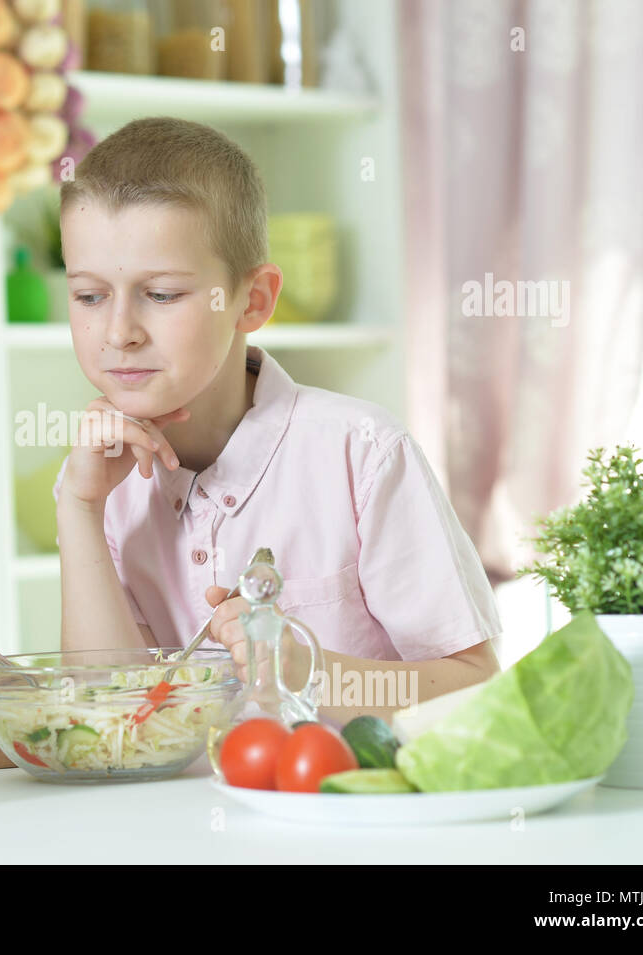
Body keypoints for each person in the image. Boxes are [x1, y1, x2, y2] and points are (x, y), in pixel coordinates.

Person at [51, 117, 501, 723]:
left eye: (160, 294)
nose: (119, 333)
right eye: (89, 296)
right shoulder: (101, 485)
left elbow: (476, 688)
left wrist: (311, 672)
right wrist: (78, 511)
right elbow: (108, 720)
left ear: (253, 301)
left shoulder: (361, 454)